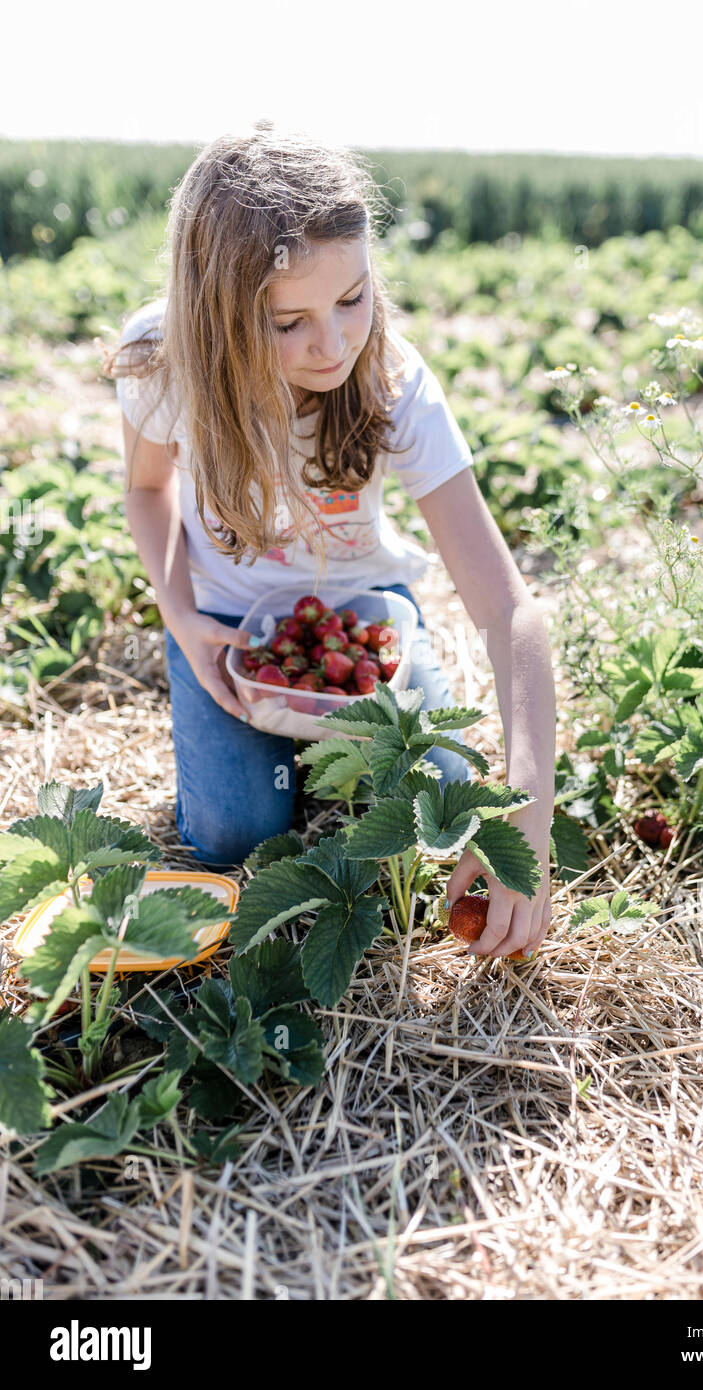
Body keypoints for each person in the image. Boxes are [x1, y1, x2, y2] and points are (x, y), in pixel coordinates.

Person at [101, 121, 556, 960]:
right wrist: (182, 621)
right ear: (218, 318)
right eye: (288, 322)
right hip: (231, 633)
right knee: (234, 839)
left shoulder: (391, 382)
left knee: (443, 819)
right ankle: (280, 759)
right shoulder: (166, 359)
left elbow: (507, 608)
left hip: (362, 630)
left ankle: (324, 758)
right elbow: (147, 490)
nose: (334, 342)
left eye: (352, 299)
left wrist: (529, 804)